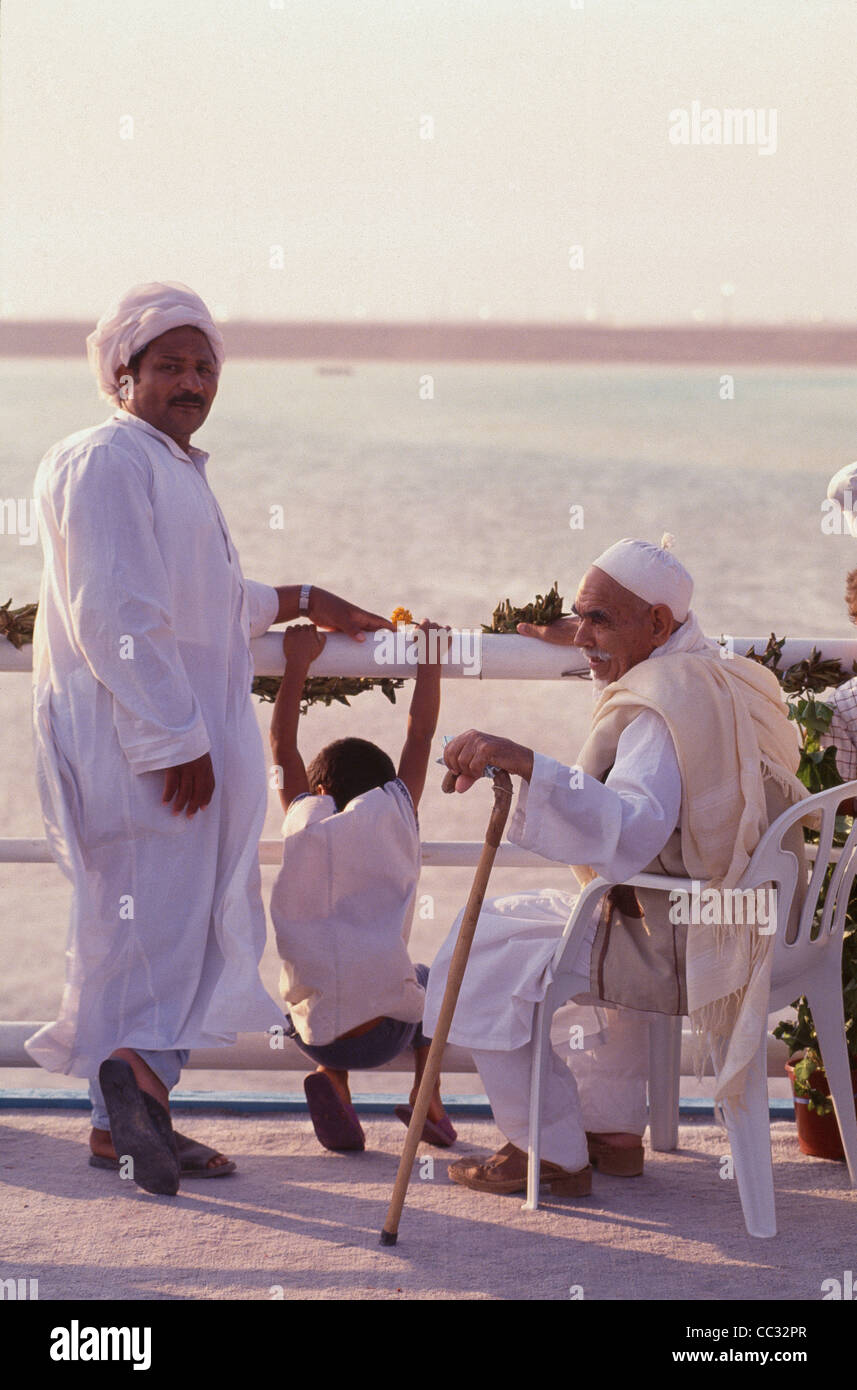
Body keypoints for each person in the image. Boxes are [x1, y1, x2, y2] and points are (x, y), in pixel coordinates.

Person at [26, 280, 393, 1195]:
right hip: (149, 751)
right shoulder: (104, 460)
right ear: (122, 375)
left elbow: (206, 600)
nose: (191, 382)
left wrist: (299, 599)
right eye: (170, 366)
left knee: (160, 929)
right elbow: (116, 611)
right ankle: (138, 1088)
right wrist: (172, 738)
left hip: (175, 745)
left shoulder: (167, 466)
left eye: (204, 367)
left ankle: (127, 1118)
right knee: (152, 924)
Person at [425, 536, 808, 1198]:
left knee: (477, 941)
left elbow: (628, 833)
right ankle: (610, 1132)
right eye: (580, 617)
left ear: (657, 624)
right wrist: (591, 636)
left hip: (681, 935)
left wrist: (526, 762)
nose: (583, 637)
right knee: (554, 926)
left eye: (599, 618)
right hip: (754, 919)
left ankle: (545, 1151)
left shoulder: (660, 709)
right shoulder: (714, 674)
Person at [269, 619, 456, 1151]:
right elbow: (420, 735)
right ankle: (428, 1097)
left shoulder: (303, 822)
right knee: (429, 978)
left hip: (312, 1031)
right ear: (386, 789)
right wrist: (430, 660)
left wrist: (297, 662)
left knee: (319, 979)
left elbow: (282, 744)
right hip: (381, 1037)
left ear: (319, 789)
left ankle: (334, 1080)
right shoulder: (395, 814)